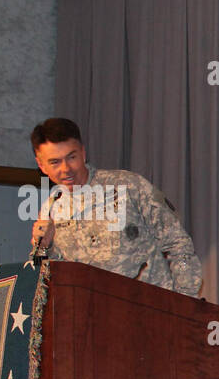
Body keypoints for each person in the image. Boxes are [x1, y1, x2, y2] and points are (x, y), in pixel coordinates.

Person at [29, 118, 202, 296]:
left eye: (71, 157)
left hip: (149, 309)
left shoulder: (128, 185)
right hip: (92, 315)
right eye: (55, 162)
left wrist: (186, 299)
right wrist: (45, 247)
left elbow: (178, 244)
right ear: (41, 165)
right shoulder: (51, 209)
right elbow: (58, 276)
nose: (66, 169)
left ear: (83, 153)